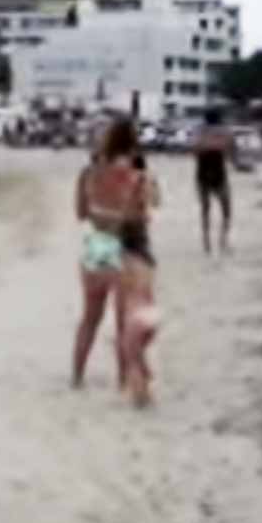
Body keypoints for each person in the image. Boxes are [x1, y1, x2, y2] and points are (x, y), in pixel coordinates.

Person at [75, 119, 160, 406]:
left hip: (96, 243)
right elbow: (144, 214)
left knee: (90, 316)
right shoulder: (137, 175)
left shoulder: (89, 172)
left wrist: (103, 214)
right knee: (125, 320)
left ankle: (77, 375)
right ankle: (124, 379)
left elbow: (81, 212)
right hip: (125, 246)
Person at [193, 107, 234, 255]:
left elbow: (195, 151)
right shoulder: (225, 132)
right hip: (218, 173)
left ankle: (207, 243)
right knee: (226, 210)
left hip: (202, 173)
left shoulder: (199, 132)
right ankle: (223, 241)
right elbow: (229, 150)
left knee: (205, 210)